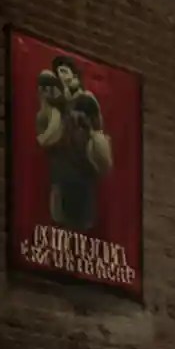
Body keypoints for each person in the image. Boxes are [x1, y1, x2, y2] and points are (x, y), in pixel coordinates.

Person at [35, 55, 113, 231]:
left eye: (64, 71)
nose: (61, 76)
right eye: (58, 73)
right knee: (59, 219)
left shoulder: (86, 100)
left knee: (82, 221)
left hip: (82, 170)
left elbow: (96, 129)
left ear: (74, 74)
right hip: (61, 169)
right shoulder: (55, 100)